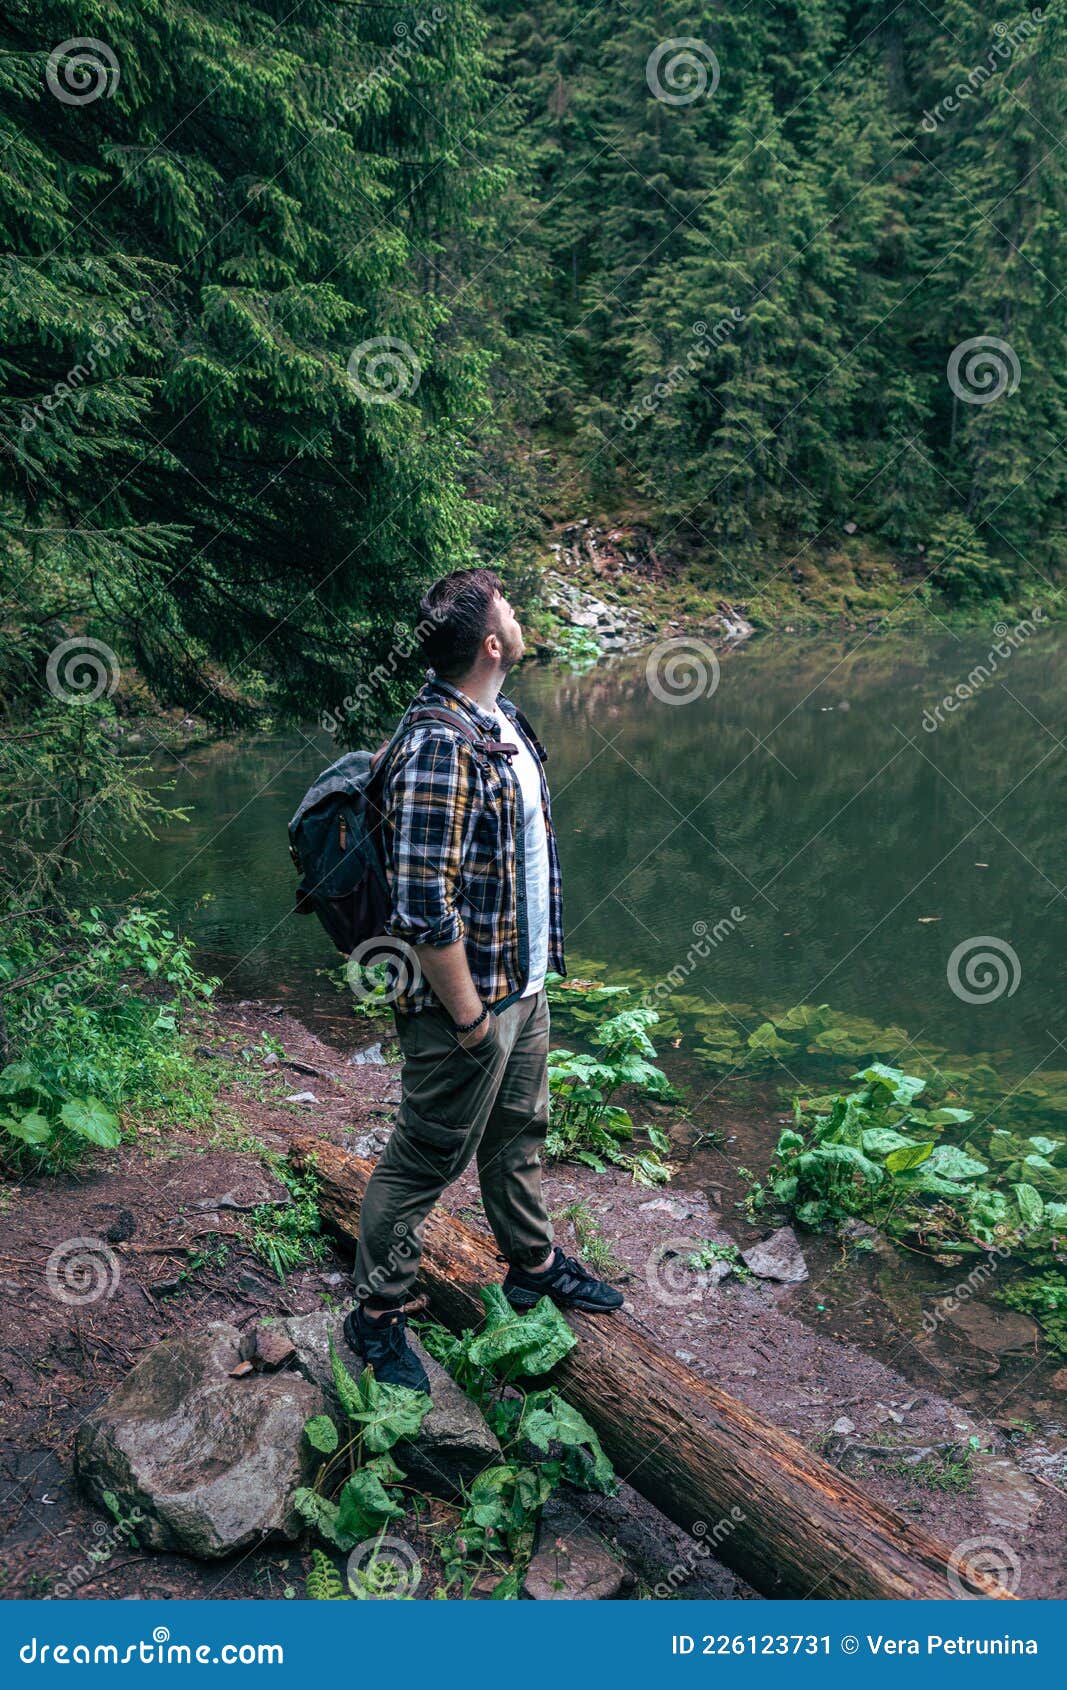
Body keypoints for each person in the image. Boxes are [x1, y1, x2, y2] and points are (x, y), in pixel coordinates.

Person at [345, 568, 623, 1389]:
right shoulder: (440, 745)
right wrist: (467, 1018)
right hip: (467, 1003)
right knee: (424, 1160)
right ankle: (376, 1315)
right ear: (492, 643)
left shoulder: (498, 720)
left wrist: (525, 986)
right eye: (511, 609)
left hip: (522, 985)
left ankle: (531, 1264)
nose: (521, 615)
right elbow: (422, 903)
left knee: (517, 1134)